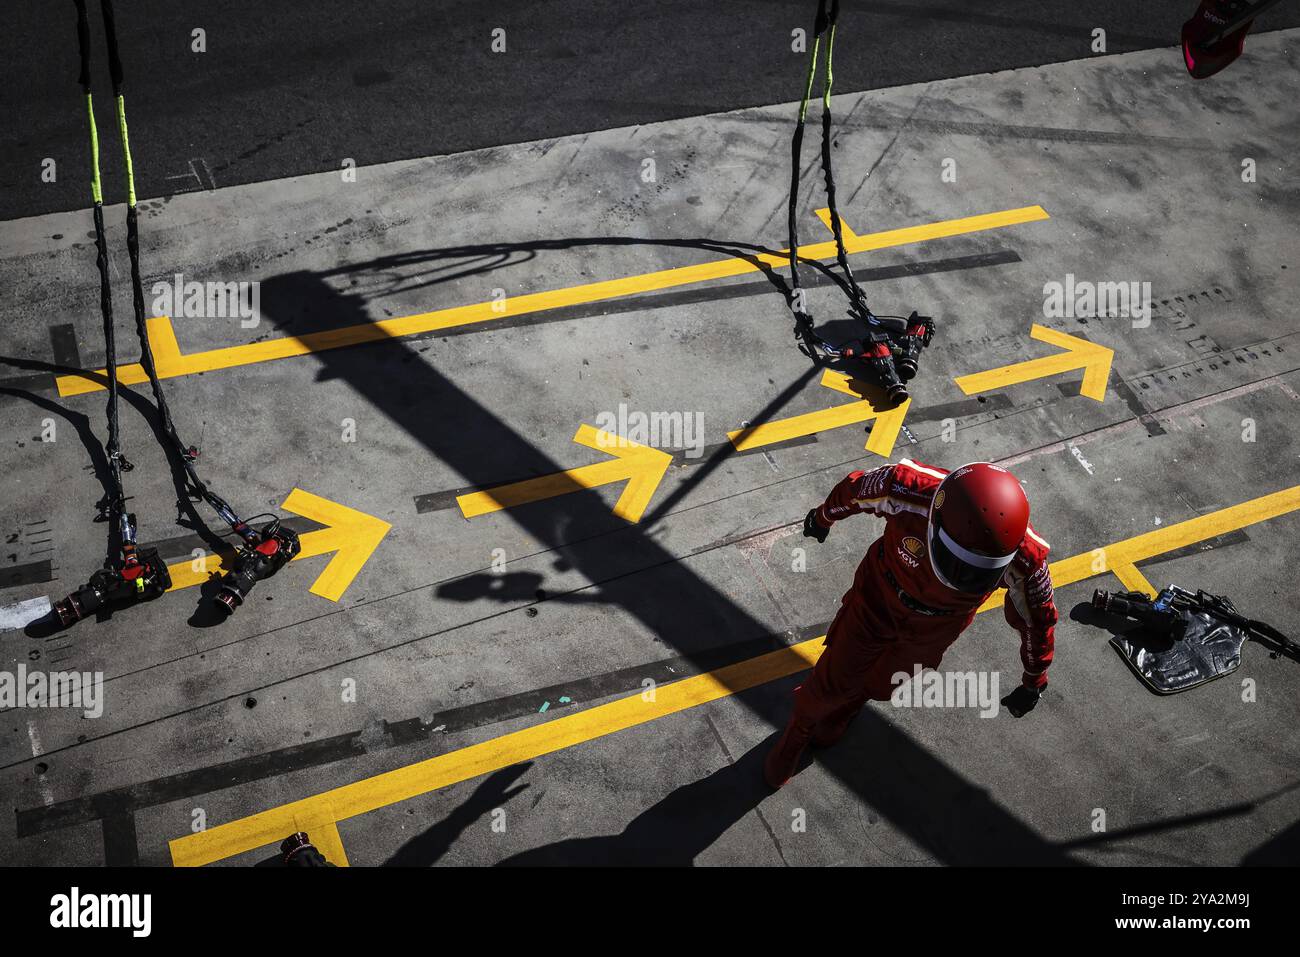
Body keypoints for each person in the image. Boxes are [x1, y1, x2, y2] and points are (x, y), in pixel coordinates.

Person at [765, 459, 1058, 788]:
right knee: (830, 681)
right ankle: (798, 732)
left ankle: (847, 708)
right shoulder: (906, 488)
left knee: (884, 685)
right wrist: (823, 516)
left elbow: (1039, 620)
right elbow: (855, 491)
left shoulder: (1027, 560)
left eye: (979, 570)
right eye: (958, 560)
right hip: (876, 601)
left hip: (932, 631)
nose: (961, 577)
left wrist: (1035, 678)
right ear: (935, 520)